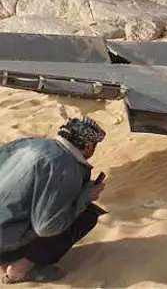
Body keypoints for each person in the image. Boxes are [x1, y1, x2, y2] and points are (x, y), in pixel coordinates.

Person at [0, 116, 107, 284]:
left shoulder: (30, 143)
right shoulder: (66, 167)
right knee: (87, 216)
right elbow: (48, 227)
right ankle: (21, 268)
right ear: (87, 145)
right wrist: (85, 197)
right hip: (4, 238)